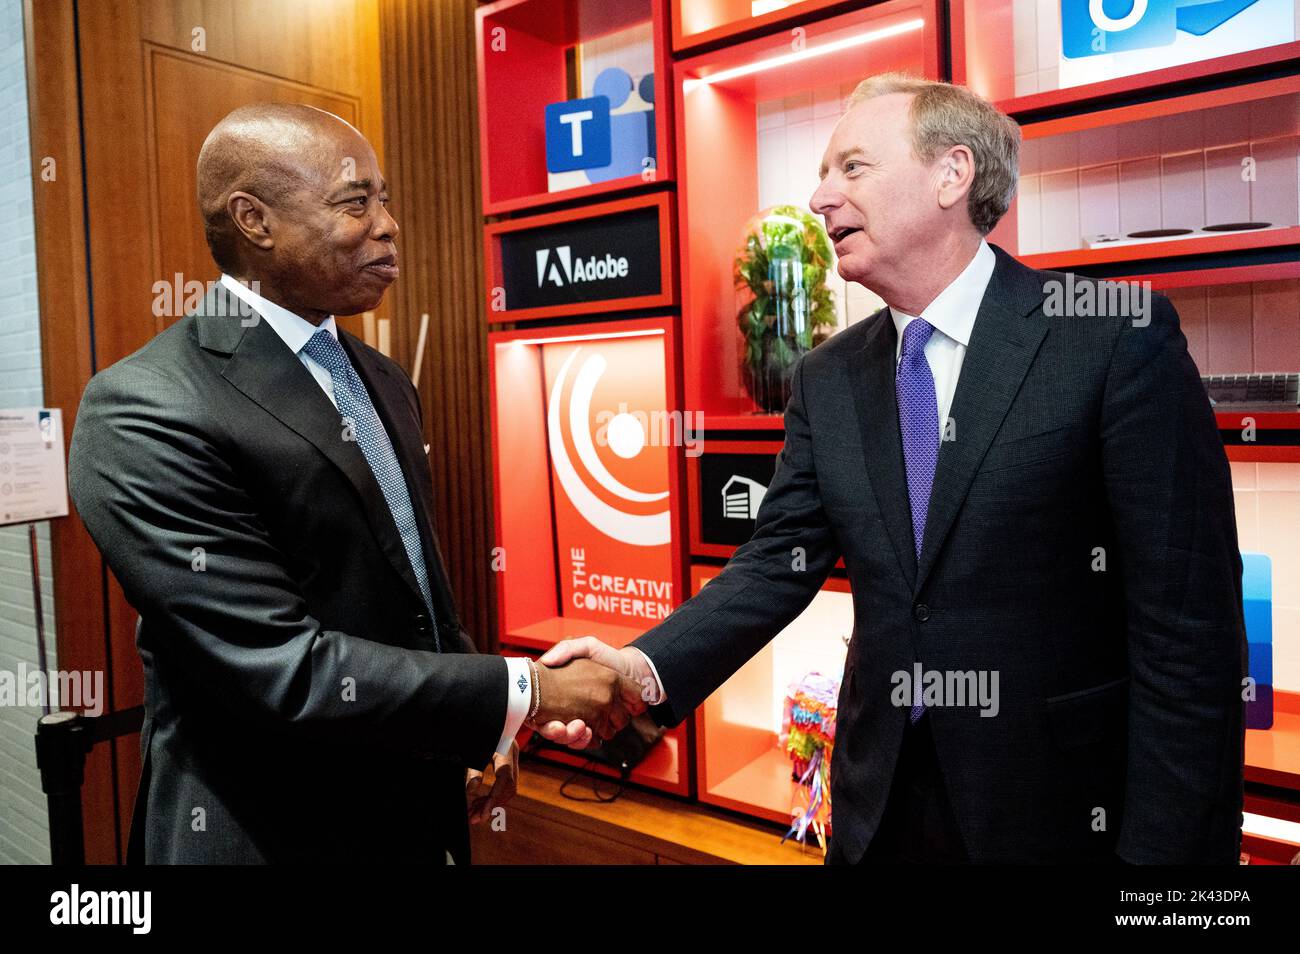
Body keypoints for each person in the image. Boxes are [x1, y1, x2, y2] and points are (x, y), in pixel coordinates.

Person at [542, 74, 1247, 864]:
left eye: (851, 167)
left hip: (1057, 811)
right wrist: (641, 668)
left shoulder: (1112, 340)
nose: (818, 197)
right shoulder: (828, 376)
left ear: (952, 174)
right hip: (880, 807)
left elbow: (1190, 636)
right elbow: (776, 563)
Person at [67, 103, 643, 864]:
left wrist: (489, 726)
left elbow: (418, 596)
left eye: (386, 197)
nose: (388, 223)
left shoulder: (383, 380)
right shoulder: (145, 406)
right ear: (254, 220)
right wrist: (524, 691)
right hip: (269, 835)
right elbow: (281, 668)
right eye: (354, 201)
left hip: (414, 819)